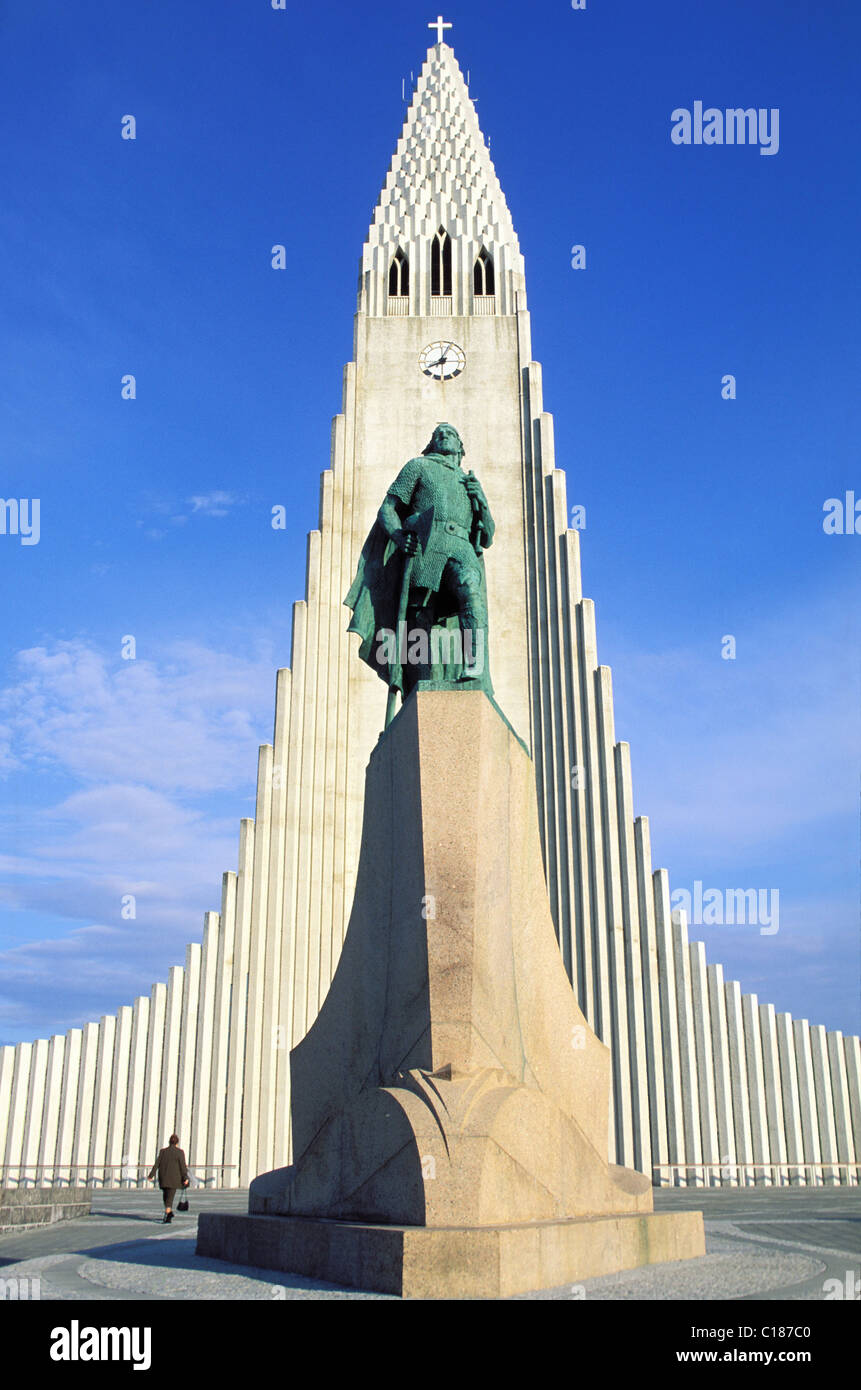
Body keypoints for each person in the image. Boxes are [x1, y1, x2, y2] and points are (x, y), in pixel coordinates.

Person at [344, 423, 495, 705]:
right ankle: (418, 688)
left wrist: (481, 501)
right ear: (431, 445)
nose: (443, 435)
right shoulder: (418, 467)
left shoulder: (468, 482)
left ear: (461, 447)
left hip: (461, 550)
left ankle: (474, 667)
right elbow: (387, 509)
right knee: (420, 621)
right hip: (427, 549)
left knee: (471, 596)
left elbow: (487, 535)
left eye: (450, 433)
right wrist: (399, 537)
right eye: (438, 434)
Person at [147, 1134, 189, 1223]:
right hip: (174, 1179)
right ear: (177, 1143)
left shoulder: (163, 1151)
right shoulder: (180, 1152)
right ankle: (168, 1215)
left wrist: (151, 1175)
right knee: (169, 1197)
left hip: (163, 1178)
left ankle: (168, 1213)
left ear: (169, 1142)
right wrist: (185, 1177)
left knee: (166, 1196)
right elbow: (182, 1166)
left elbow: (157, 1164)